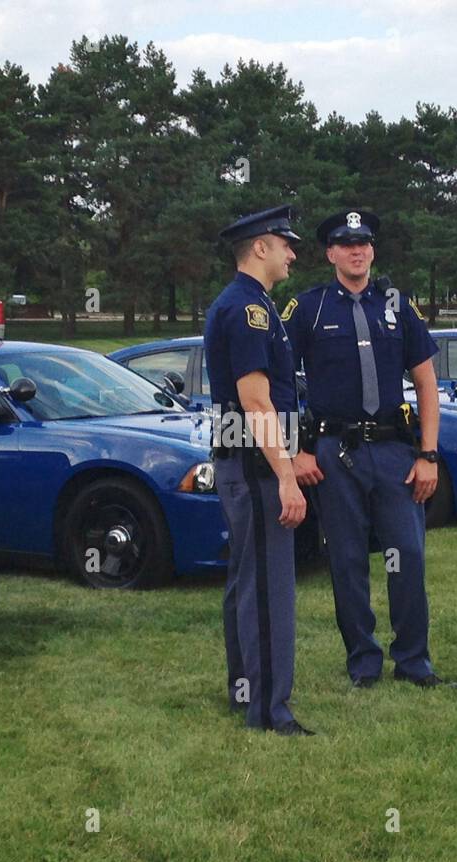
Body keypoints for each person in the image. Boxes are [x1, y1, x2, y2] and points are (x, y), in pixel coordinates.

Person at [285, 209, 457, 689]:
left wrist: (428, 456)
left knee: (407, 553)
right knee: (346, 559)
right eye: (346, 242)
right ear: (331, 253)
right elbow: (281, 382)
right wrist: (296, 450)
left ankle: (413, 661)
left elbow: (425, 383)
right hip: (334, 454)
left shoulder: (398, 305)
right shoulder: (309, 308)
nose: (357, 250)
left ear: (373, 249)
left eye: (364, 242)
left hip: (392, 452)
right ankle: (363, 661)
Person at [203, 205, 314, 735]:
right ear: (261, 247)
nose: (293, 254)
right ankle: (269, 711)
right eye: (286, 244)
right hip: (255, 463)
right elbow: (256, 402)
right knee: (268, 587)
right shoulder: (249, 309)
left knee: (246, 580)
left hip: (244, 458)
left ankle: (244, 688)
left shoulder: (250, 304)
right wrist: (287, 475)